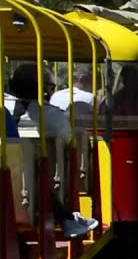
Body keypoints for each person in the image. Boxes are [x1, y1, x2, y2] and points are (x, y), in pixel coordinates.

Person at [5, 64, 99, 238]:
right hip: (36, 190)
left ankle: (67, 218)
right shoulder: (54, 116)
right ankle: (67, 218)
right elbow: (70, 140)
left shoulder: (4, 110)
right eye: (50, 87)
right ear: (42, 88)